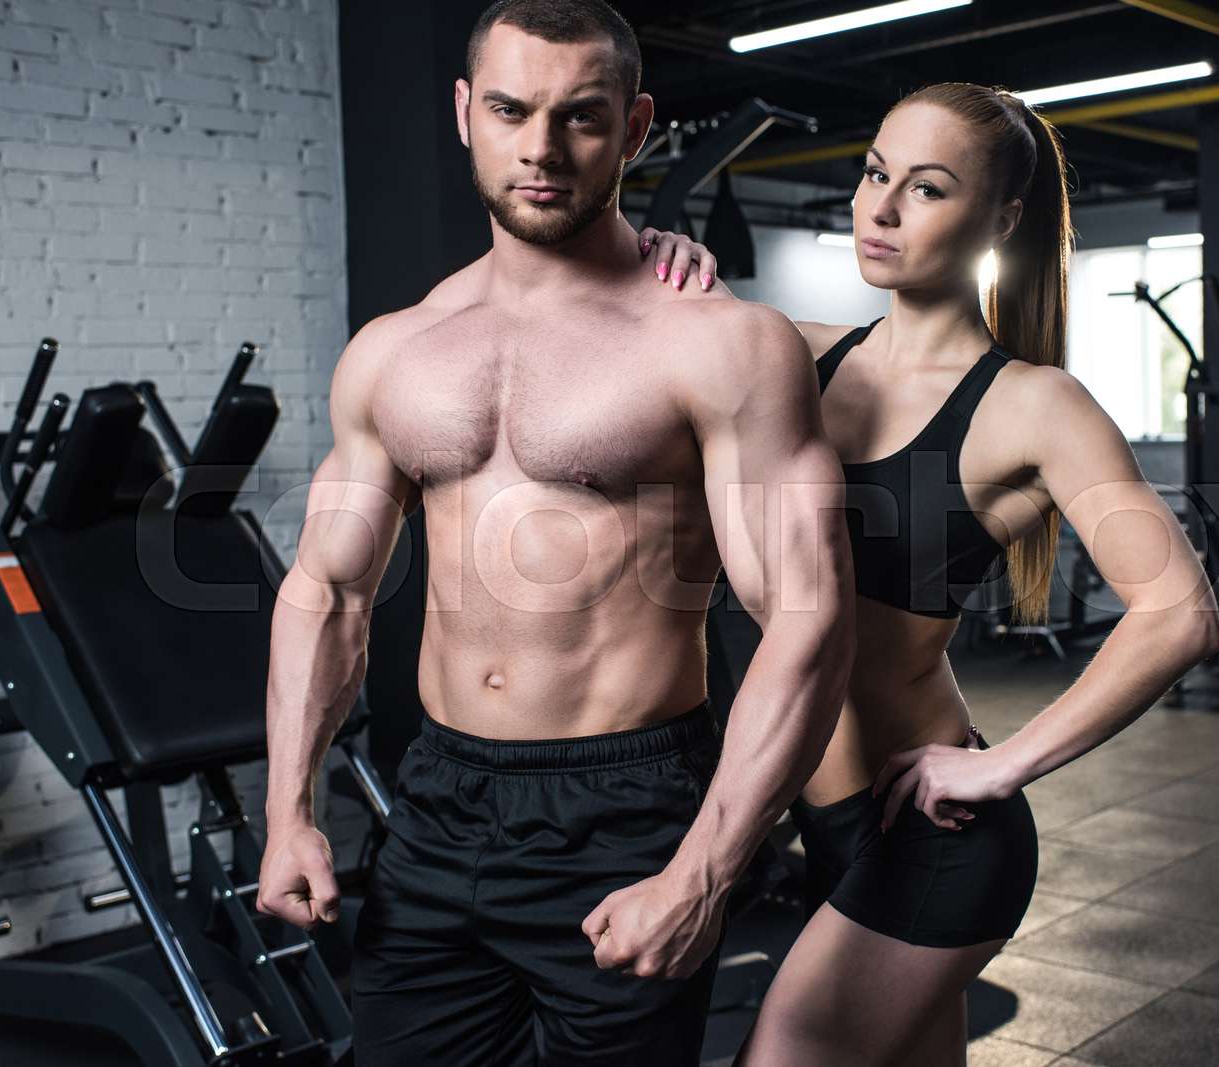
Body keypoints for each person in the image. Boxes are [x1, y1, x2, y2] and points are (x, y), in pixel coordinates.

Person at [255, 3, 856, 1065]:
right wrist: (288, 808)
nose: (539, 147)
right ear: (463, 114)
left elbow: (807, 621)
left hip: (627, 806)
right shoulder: (393, 351)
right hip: (436, 797)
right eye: (509, 109)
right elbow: (327, 590)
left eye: (579, 117)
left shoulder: (720, 345)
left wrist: (707, 869)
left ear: (632, 129)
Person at [640, 82, 1219, 1065]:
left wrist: (1000, 761)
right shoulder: (796, 359)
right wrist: (682, 264)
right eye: (874, 173)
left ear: (999, 219)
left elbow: (1181, 614)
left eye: (927, 187)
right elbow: (653, 325)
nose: (881, 205)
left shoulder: (1035, 406)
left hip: (933, 832)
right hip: (816, 826)